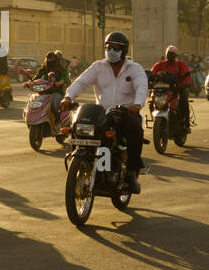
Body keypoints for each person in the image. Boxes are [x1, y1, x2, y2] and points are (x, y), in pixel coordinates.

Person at [61, 32, 147, 193]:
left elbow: (142, 87)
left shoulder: (134, 69)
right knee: (77, 128)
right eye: (108, 47)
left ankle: (131, 174)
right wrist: (68, 97)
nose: (111, 51)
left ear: (124, 50)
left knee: (136, 130)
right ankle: (80, 162)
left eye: (115, 48)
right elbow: (81, 82)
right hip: (102, 113)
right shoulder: (98, 66)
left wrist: (137, 104)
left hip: (125, 113)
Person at [150, 44, 192, 120]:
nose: (170, 55)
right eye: (169, 53)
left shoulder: (181, 64)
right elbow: (152, 73)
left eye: (172, 54)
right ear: (166, 54)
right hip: (162, 90)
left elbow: (187, 76)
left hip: (177, 89)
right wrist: (149, 80)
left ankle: (186, 123)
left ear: (176, 55)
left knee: (184, 101)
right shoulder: (160, 64)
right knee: (151, 100)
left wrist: (185, 84)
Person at [28, 49, 71, 117]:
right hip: (43, 92)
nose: (50, 62)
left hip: (57, 92)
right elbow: (36, 77)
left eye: (52, 60)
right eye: (48, 60)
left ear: (56, 60)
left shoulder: (62, 70)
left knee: (55, 103)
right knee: (34, 103)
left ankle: (58, 119)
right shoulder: (43, 69)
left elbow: (63, 80)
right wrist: (29, 83)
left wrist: (58, 83)